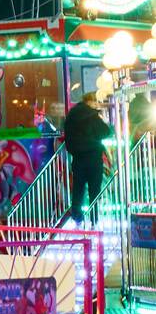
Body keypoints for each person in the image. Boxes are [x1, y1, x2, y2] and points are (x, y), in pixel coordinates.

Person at [63, 92, 110, 223]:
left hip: (78, 158)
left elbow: (68, 136)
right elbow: (105, 132)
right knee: (94, 190)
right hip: (94, 157)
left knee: (78, 189)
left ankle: (77, 218)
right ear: (90, 101)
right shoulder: (92, 115)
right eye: (96, 102)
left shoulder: (71, 115)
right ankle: (94, 220)